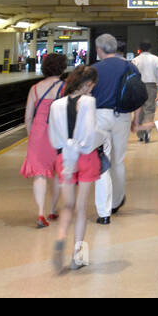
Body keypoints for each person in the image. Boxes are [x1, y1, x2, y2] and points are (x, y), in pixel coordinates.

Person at [48, 65, 101, 271]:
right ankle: (78, 256)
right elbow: (89, 133)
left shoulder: (56, 105)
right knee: (81, 208)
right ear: (87, 84)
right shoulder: (89, 102)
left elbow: (54, 137)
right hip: (86, 157)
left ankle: (60, 237)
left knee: (67, 205)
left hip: (64, 158)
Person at [90, 33, 137, 225]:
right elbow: (137, 93)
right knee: (118, 160)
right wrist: (136, 118)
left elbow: (86, 97)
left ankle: (104, 209)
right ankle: (117, 200)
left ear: (99, 49)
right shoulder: (129, 66)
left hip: (100, 117)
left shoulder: (93, 69)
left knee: (102, 161)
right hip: (123, 116)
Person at [20, 53, 67, 227]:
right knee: (57, 173)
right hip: (59, 132)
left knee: (39, 174)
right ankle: (53, 210)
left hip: (38, 132)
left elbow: (28, 117)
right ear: (62, 68)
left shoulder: (35, 88)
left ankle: (40, 214)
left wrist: (32, 135)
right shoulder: (65, 88)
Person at [132, 44, 158, 144]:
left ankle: (140, 134)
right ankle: (147, 131)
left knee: (139, 108)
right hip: (151, 85)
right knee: (149, 109)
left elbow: (133, 75)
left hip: (138, 85)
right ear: (150, 49)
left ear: (140, 49)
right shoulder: (155, 59)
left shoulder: (135, 60)